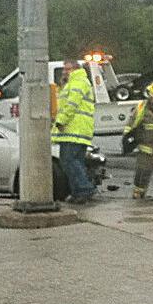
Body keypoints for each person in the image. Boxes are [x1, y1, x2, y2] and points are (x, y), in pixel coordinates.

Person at [51, 60, 97, 203]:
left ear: (76, 69)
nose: (65, 71)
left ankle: (84, 189)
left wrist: (60, 121)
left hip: (75, 129)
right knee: (73, 161)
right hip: (75, 130)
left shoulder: (78, 82)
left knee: (68, 160)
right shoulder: (72, 83)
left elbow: (71, 104)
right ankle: (78, 192)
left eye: (68, 69)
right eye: (64, 69)